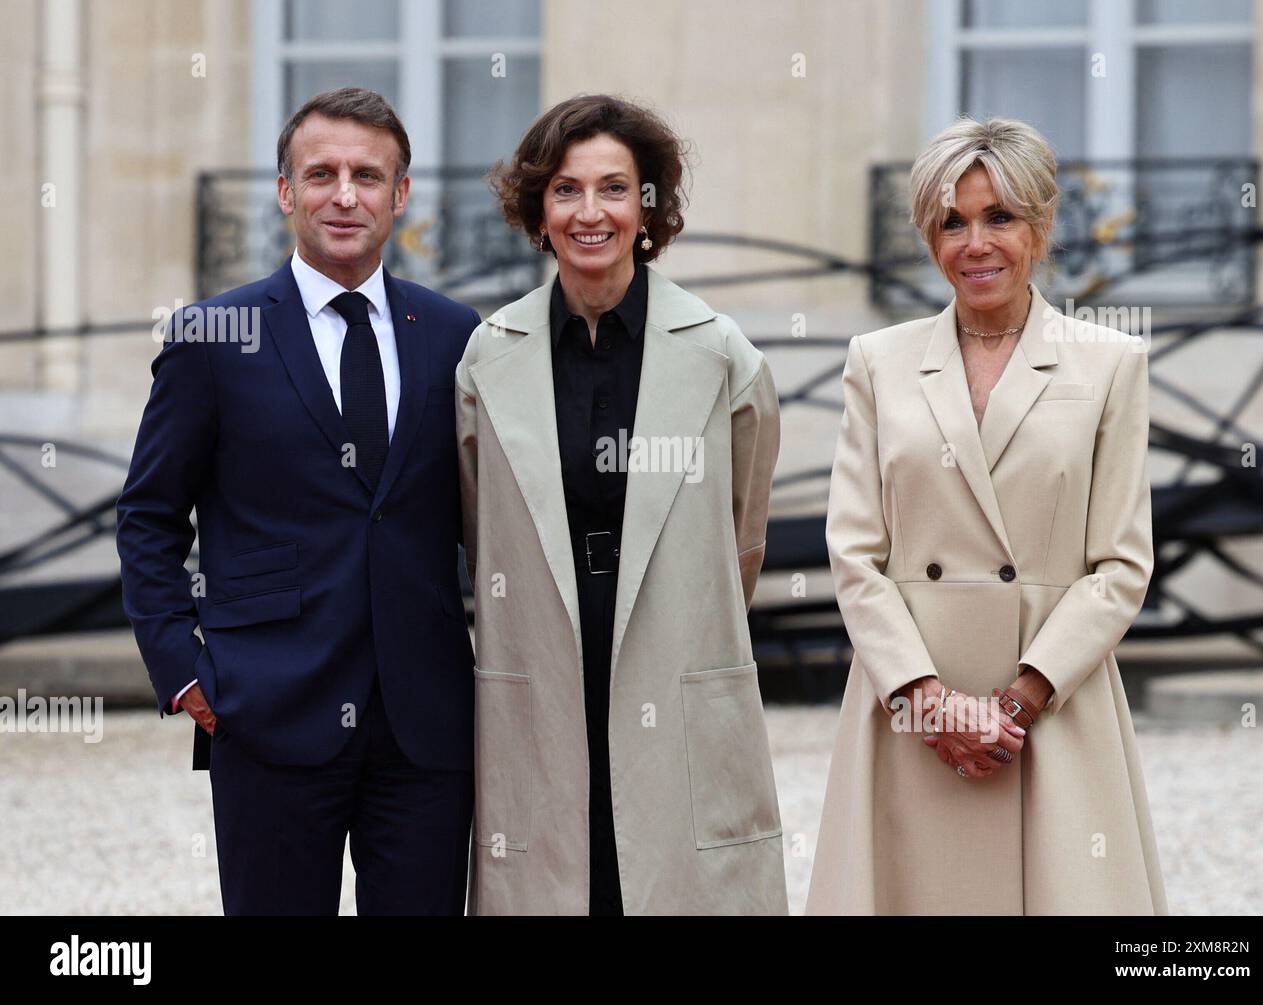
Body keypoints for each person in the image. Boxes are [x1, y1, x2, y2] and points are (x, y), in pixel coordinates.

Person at [116, 88, 479, 915]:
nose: (344, 195)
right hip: (267, 710)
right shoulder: (213, 337)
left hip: (425, 724)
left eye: (366, 175)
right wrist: (182, 670)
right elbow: (148, 517)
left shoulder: (456, 334)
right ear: (286, 191)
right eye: (322, 174)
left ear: (401, 193)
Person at [807, 117, 1167, 914]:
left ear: (1040, 225)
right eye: (952, 222)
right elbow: (855, 553)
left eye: (999, 217)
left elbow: (1120, 564)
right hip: (907, 712)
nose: (976, 243)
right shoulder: (878, 361)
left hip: (1050, 711)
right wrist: (929, 702)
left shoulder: (1110, 363)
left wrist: (1016, 702)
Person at [456, 94, 786, 915]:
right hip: (541, 656)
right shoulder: (485, 359)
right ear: (538, 212)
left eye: (614, 188)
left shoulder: (721, 356)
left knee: (672, 880)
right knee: (559, 879)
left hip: (673, 659)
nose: (589, 211)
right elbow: (479, 528)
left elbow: (740, 541)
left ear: (648, 208)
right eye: (566, 190)